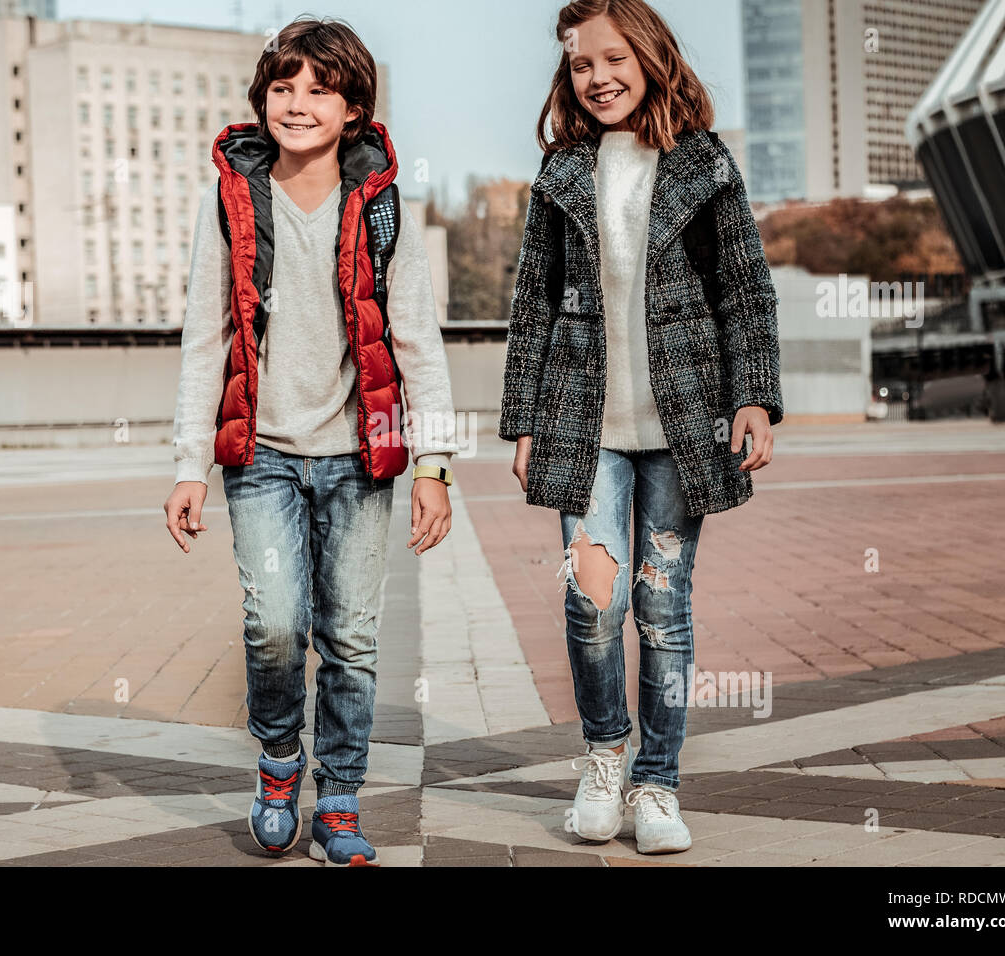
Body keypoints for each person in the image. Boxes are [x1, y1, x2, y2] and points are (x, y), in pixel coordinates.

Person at [164, 16, 459, 867]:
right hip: (257, 450)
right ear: (262, 100)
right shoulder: (229, 200)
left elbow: (415, 343)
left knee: (353, 638)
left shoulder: (382, 204)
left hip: (359, 455)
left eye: (318, 89)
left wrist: (433, 465)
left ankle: (339, 797)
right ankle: (279, 763)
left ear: (354, 107)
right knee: (275, 623)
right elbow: (201, 339)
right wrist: (189, 463)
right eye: (283, 88)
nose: (297, 104)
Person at [499, 0, 784, 854]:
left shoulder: (704, 165)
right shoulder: (561, 172)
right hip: (582, 426)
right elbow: (532, 306)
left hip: (682, 424)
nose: (600, 77)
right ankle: (604, 756)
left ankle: (657, 785)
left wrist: (754, 397)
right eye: (583, 65)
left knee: (662, 606)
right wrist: (523, 421)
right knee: (594, 602)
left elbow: (745, 289)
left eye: (615, 58)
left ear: (652, 57)